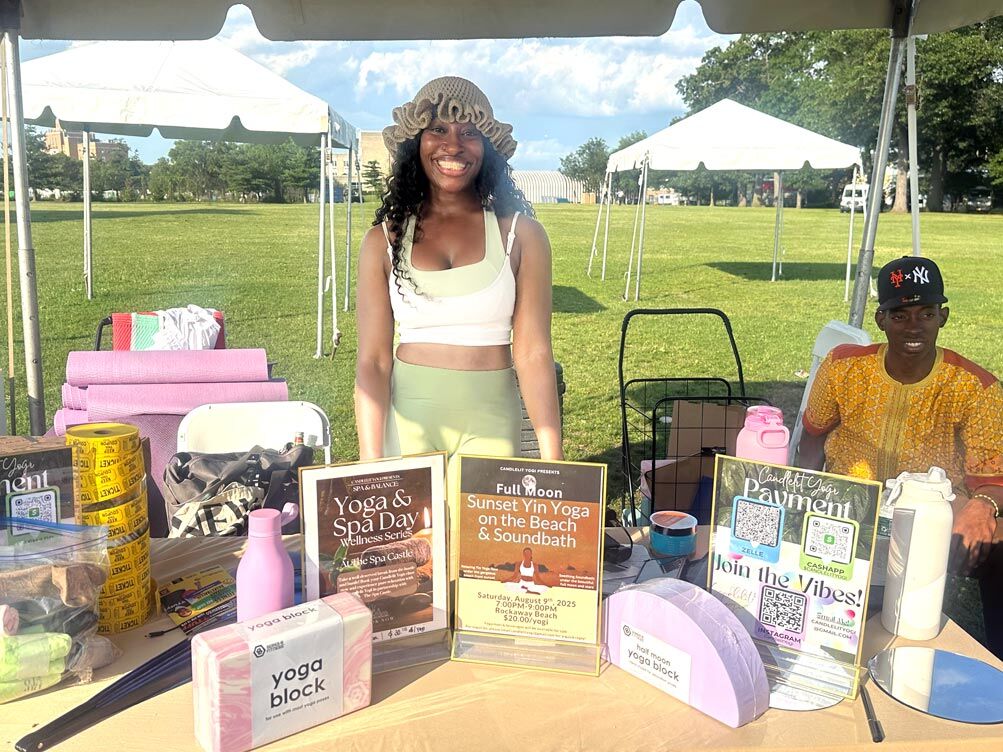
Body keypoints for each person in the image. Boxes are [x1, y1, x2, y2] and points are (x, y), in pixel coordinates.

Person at [354, 76, 563, 499]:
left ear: (488, 147)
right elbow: (374, 361)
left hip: (492, 422)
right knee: (416, 561)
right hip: (408, 421)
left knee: (486, 563)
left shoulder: (523, 236)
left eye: (470, 132)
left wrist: (553, 465)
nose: (453, 145)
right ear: (416, 142)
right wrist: (369, 466)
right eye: (438, 130)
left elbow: (534, 353)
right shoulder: (383, 240)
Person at [797, 256, 1003, 655]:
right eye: (900, 314)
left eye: (926, 313)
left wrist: (984, 506)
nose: (914, 326)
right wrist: (807, 496)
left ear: (942, 317)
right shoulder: (843, 367)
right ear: (880, 319)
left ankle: (995, 664)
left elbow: (994, 475)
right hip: (850, 505)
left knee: (999, 541)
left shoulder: (975, 387)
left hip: (933, 513)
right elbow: (812, 437)